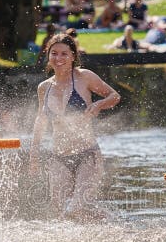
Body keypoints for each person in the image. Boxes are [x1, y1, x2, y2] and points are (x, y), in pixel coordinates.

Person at [28, 33, 121, 219]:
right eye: (54, 53)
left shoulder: (84, 77)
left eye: (64, 54)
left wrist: (98, 104)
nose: (59, 58)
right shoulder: (44, 87)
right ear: (48, 55)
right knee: (57, 213)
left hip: (87, 154)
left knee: (78, 209)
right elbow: (40, 121)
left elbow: (114, 96)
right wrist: (34, 156)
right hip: (58, 157)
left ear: (73, 56)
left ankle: (111, 223)